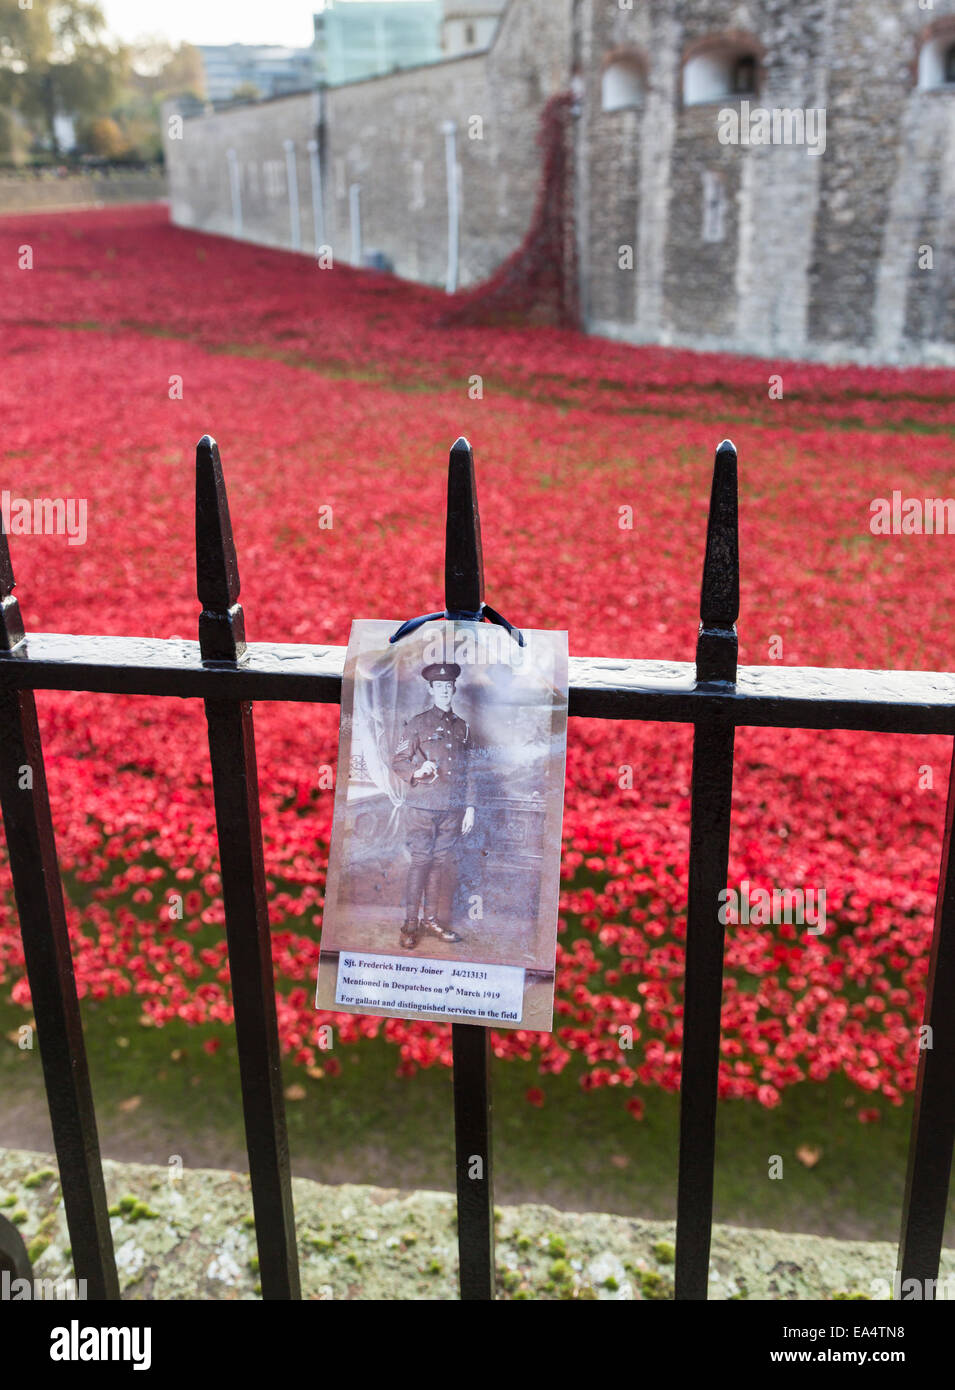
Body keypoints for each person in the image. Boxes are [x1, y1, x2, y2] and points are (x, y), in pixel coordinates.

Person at [391, 662, 475, 949]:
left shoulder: (463, 727)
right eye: (439, 686)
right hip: (422, 807)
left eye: (448, 686)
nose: (444, 690)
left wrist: (470, 808)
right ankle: (410, 924)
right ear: (430, 689)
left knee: (439, 863)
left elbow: (470, 769)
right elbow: (399, 761)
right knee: (421, 862)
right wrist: (417, 770)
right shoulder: (417, 723)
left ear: (454, 689)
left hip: (452, 809)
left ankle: (431, 920)